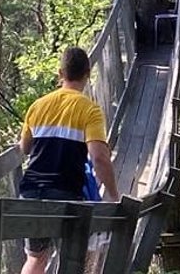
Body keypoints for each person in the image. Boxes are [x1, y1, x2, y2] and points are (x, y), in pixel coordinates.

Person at [18, 46, 120, 274]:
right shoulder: (89, 110)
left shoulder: (37, 106)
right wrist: (113, 195)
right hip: (66, 194)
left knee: (36, 258)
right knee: (78, 258)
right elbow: (99, 158)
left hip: (31, 194)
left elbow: (24, 148)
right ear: (87, 74)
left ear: (60, 74)